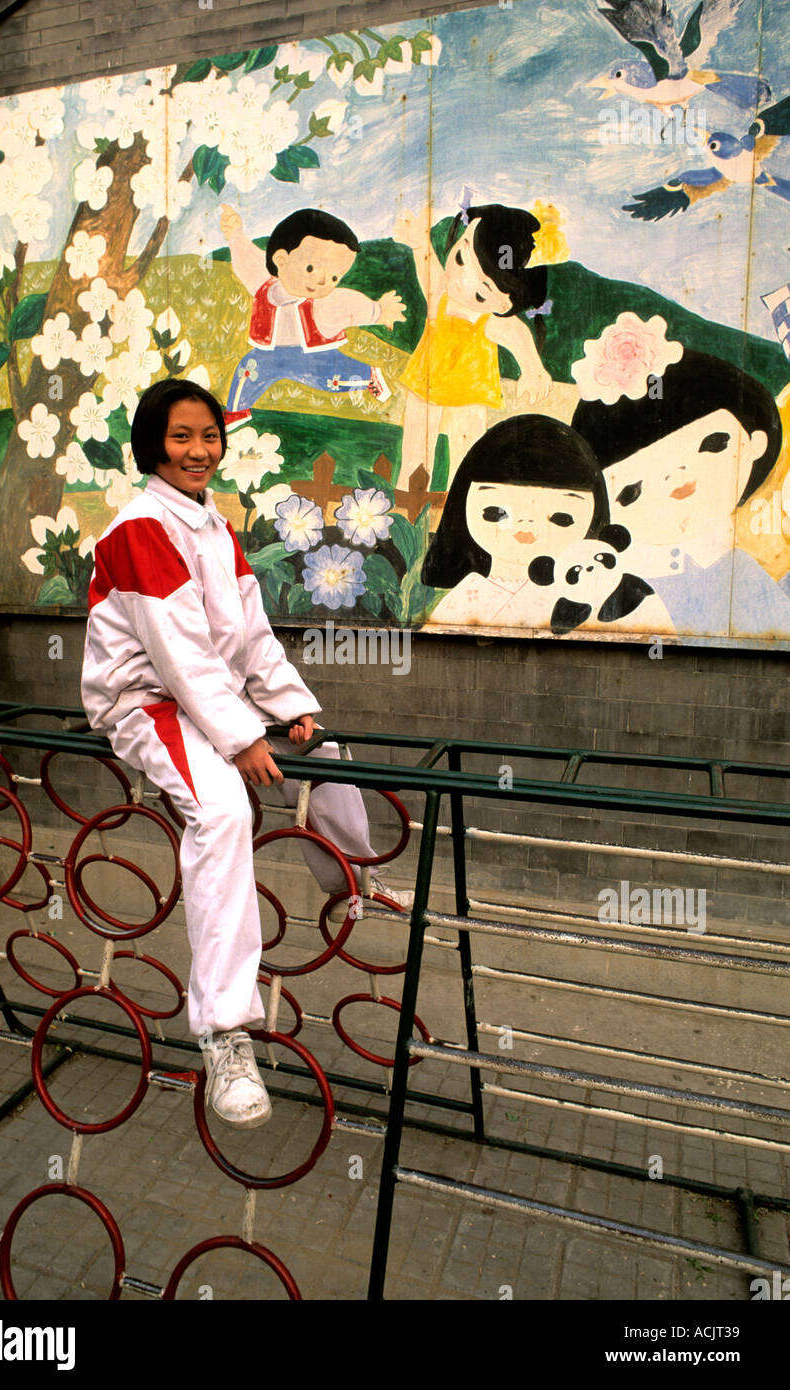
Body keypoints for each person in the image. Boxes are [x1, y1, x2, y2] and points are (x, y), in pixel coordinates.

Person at [81, 377, 410, 1130]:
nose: (199, 451)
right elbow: (178, 656)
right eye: (179, 437)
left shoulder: (213, 525)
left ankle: (356, 880)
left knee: (327, 750)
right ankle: (224, 1032)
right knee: (224, 810)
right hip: (144, 700)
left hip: (209, 691)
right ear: (151, 444)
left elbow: (250, 639)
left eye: (207, 436)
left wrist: (292, 706)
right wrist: (240, 740)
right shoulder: (138, 528)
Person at [571, 349, 790, 640]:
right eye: (631, 490)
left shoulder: (734, 564)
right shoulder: (618, 579)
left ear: (755, 444)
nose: (673, 478)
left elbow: (775, 620)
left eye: (712, 444)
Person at [420, 414, 669, 634]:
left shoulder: (596, 587)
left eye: (561, 517)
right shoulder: (469, 595)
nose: (526, 523)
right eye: (495, 512)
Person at [394, 201, 553, 492]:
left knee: (467, 459)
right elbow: (429, 274)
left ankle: (459, 510)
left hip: (470, 392)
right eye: (459, 258)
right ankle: (407, 504)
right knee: (415, 455)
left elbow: (517, 334)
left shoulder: (488, 320)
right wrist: (420, 245)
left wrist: (533, 370)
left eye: (481, 292)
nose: (458, 280)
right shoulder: (442, 299)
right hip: (425, 383)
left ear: (503, 303)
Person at [220, 205, 405, 426]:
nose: (323, 281)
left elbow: (352, 306)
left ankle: (368, 376)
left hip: (313, 357)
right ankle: (237, 411)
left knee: (332, 380)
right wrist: (235, 234)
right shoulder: (263, 285)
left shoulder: (326, 304)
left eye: (335, 277)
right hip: (268, 354)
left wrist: (380, 311)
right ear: (280, 260)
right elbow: (246, 259)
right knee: (247, 372)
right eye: (311, 268)